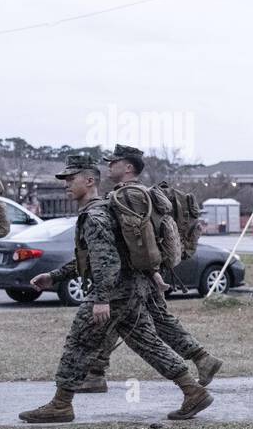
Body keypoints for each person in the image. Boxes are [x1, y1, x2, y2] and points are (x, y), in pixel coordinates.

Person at [20, 154, 213, 423]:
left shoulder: (95, 214)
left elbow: (106, 260)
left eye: (70, 179)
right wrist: (54, 276)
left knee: (78, 343)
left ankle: (61, 404)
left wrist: (101, 299)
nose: (66, 184)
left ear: (89, 181)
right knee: (146, 343)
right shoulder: (105, 209)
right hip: (132, 288)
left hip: (116, 292)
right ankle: (192, 390)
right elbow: (92, 258)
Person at [75, 144, 223, 393]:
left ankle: (95, 374)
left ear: (128, 167)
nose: (109, 166)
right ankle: (201, 360)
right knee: (148, 321)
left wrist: (149, 271)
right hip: (145, 271)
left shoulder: (127, 196)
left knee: (131, 326)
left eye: (115, 162)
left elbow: (131, 240)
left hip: (134, 273)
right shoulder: (144, 194)